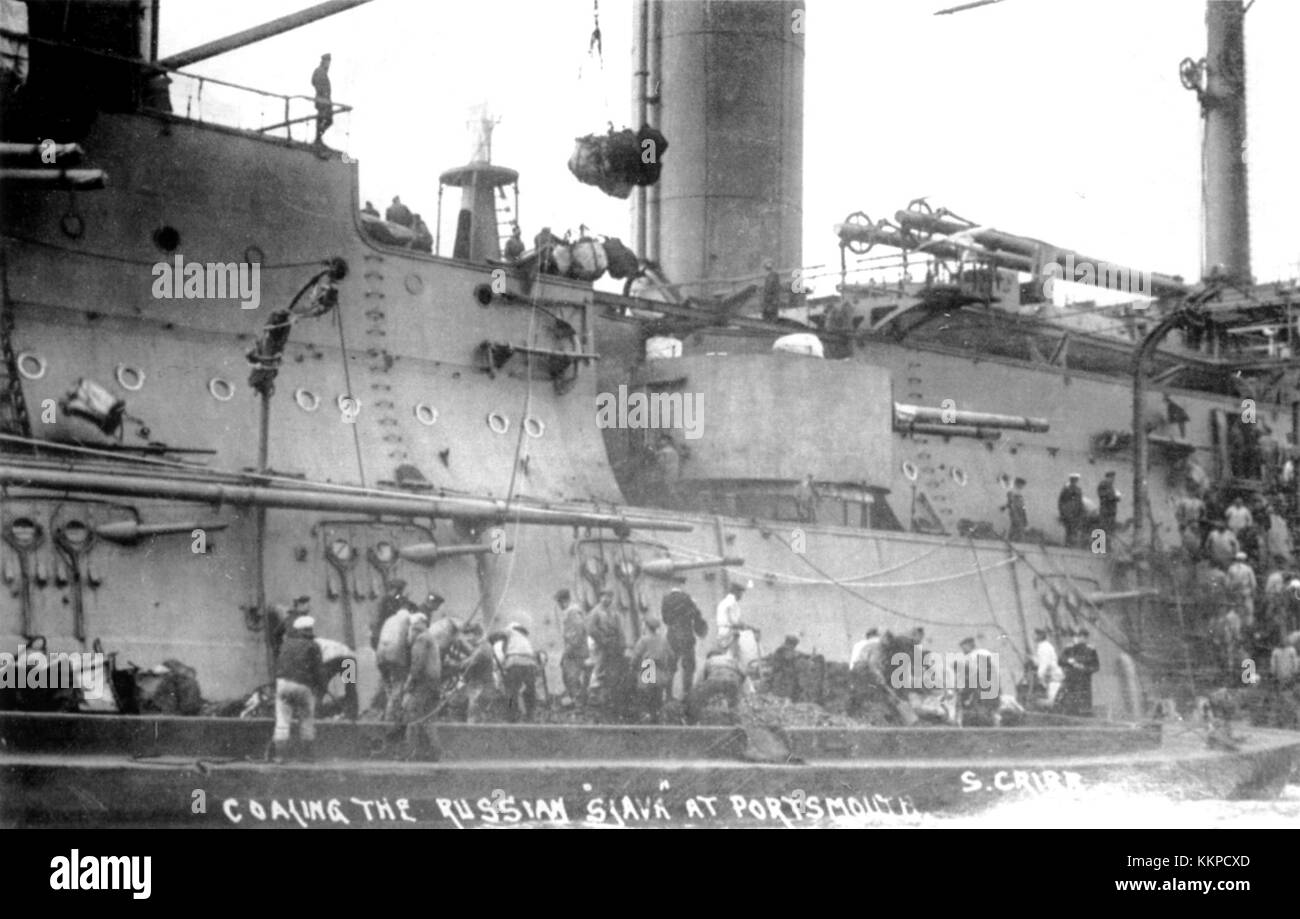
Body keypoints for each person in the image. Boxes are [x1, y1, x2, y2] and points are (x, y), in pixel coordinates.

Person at [272, 615, 324, 762]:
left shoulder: (286, 644)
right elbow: (319, 671)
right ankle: (307, 756)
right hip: (303, 685)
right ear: (310, 630)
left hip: (283, 683)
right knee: (306, 719)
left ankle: (279, 756)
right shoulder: (315, 646)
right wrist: (321, 689)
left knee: (282, 720)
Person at [400, 614, 443, 758]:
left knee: (412, 716)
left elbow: (417, 665)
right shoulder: (431, 638)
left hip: (423, 684)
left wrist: (409, 684)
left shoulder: (421, 639)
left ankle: (409, 753)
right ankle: (435, 753)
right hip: (434, 684)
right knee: (429, 720)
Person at [660, 587, 707, 700]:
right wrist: (700, 630)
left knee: (671, 667)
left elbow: (665, 620)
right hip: (686, 635)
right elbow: (697, 616)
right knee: (689, 666)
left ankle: (669, 695)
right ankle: (687, 693)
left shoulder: (665, 600)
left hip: (672, 636)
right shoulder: (687, 598)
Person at [585, 588, 625, 709]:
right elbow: (591, 629)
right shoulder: (595, 612)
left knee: (611, 670)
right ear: (600, 597)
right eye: (604, 596)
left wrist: (621, 644)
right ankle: (593, 693)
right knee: (598, 667)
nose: (606, 599)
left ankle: (608, 695)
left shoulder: (614, 612)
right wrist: (602, 640)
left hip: (613, 645)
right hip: (600, 644)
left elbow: (619, 630)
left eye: (609, 597)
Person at [375, 600, 416, 721]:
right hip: (395, 655)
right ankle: (391, 719)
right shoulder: (410, 619)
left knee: (388, 686)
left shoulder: (389, 619)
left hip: (380, 655)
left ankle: (387, 713)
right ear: (411, 610)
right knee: (398, 684)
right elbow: (410, 640)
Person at [629, 615, 673, 721]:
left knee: (645, 698)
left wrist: (632, 667)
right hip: (661, 671)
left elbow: (636, 657)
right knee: (657, 698)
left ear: (646, 626)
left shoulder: (644, 640)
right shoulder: (663, 640)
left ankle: (646, 718)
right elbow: (671, 655)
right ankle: (656, 718)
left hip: (648, 669)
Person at [685, 650, 747, 724]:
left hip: (714, 680)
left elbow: (699, 681)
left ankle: (693, 721)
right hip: (733, 680)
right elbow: (744, 674)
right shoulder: (732, 660)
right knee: (734, 704)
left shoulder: (709, 661)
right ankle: (736, 721)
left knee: (699, 698)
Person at [497, 621, 539, 722]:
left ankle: (511, 717)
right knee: (530, 691)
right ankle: (531, 716)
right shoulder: (525, 638)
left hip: (515, 663)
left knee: (511, 691)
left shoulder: (511, 631)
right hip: (530, 663)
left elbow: (498, 634)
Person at [556, 589, 589, 706]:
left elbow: (579, 630)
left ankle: (577, 701)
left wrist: (570, 647)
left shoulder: (573, 612)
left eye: (559, 602)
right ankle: (577, 699)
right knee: (568, 674)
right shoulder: (572, 611)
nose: (558, 605)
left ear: (563, 601)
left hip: (575, 651)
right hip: (574, 650)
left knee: (571, 676)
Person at [1059, 628, 1100, 716]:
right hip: (1070, 680)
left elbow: (1096, 667)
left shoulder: (1090, 650)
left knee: (1084, 705)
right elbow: (1060, 660)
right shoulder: (1069, 648)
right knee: (1070, 704)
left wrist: (1084, 668)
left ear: (1086, 638)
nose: (1078, 639)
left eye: (1082, 637)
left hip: (1084, 681)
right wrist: (1069, 661)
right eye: (1077, 636)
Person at [369, 578, 412, 651]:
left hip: (384, 635)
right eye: (401, 590)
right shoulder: (386, 600)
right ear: (396, 589)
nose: (401, 593)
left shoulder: (393, 599)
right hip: (382, 635)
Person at [715, 580, 751, 656]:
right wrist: (747, 627)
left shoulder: (723, 602)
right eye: (741, 593)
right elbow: (734, 621)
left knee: (724, 657)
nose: (741, 596)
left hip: (721, 633)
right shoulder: (732, 603)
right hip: (730, 634)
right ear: (736, 592)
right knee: (733, 657)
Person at [765, 634, 802, 701]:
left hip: (785, 676)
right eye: (793, 644)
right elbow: (787, 657)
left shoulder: (785, 650)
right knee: (782, 696)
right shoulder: (782, 650)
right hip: (782, 676)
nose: (793, 647)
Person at [1225, 551, 1258, 627]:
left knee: (1236, 612)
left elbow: (1227, 584)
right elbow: (1253, 583)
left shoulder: (1231, 568)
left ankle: (1237, 629)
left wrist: (1230, 591)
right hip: (1246, 592)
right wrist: (1253, 593)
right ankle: (1247, 628)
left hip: (1235, 593)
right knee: (1248, 612)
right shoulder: (1248, 569)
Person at [1034, 628, 1064, 707]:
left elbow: (1045, 663)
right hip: (1052, 676)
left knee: (1052, 701)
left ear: (1040, 636)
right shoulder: (1046, 646)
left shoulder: (1044, 648)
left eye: (1036, 635)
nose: (1035, 637)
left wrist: (1039, 675)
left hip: (1053, 677)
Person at [653, 435, 682, 506]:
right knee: (671, 488)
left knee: (669, 489)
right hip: (674, 472)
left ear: (666, 441)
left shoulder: (663, 452)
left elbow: (661, 464)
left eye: (662, 440)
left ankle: (678, 503)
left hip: (667, 472)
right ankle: (676, 503)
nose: (660, 442)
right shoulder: (673, 451)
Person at [1057, 474, 1085, 548]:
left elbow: (1080, 501)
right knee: (1069, 528)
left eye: (1076, 480)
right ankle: (1068, 544)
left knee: (1074, 529)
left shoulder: (1078, 489)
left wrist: (1081, 511)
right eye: (1073, 480)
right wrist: (1062, 512)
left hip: (1076, 512)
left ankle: (1072, 544)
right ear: (1071, 480)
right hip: (1068, 512)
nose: (1075, 481)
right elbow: (1061, 501)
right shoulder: (1066, 489)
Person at [311, 53, 332, 145]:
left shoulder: (322, 71)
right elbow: (314, 82)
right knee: (325, 119)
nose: (328, 64)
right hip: (322, 100)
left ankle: (318, 138)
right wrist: (322, 93)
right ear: (323, 61)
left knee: (326, 120)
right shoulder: (320, 71)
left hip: (325, 100)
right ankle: (318, 139)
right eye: (327, 62)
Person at [1097, 471, 1121, 538]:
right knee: (1104, 528)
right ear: (1108, 477)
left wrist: (1116, 497)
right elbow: (1108, 496)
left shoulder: (1110, 486)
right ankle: (1101, 546)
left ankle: (1107, 546)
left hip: (1110, 511)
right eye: (1112, 478)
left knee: (1109, 529)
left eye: (1113, 478)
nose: (1113, 480)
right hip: (1106, 510)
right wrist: (1116, 497)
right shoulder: (1104, 484)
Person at [1005, 477, 1028, 542]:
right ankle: (1020, 541)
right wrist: (1014, 513)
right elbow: (1011, 503)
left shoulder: (1019, 493)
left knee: (1015, 527)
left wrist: (1024, 514)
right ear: (1017, 483)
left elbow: (1023, 505)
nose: (1022, 486)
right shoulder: (1012, 492)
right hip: (1015, 512)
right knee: (1018, 526)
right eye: (1021, 484)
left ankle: (1009, 539)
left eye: (1022, 485)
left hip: (1020, 511)